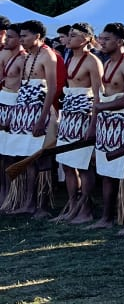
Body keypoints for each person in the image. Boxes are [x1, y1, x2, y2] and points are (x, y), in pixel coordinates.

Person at [90, 22, 124, 235]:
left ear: (120, 42)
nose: (101, 42)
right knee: (106, 171)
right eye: (101, 39)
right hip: (107, 124)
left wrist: (101, 106)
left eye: (106, 39)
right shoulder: (109, 62)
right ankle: (107, 218)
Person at [5, 19, 59, 216]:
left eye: (25, 36)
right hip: (24, 113)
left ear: (37, 36)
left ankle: (42, 205)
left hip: (40, 113)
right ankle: (27, 203)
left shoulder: (48, 56)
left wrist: (41, 119)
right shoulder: (27, 57)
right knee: (26, 158)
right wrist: (15, 115)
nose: (21, 39)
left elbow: (52, 89)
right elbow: (22, 88)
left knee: (42, 159)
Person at [54, 22, 102, 224]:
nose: (69, 38)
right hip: (69, 114)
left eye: (74, 35)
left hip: (84, 114)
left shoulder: (92, 61)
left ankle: (86, 208)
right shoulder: (69, 58)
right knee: (66, 163)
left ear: (85, 39)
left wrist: (92, 126)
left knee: (83, 165)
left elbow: (99, 96)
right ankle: (72, 205)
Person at [0, 21, 25, 208]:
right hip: (3, 103)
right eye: (6, 36)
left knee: (11, 155)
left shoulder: (25, 59)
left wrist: (14, 113)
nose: (6, 39)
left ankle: (13, 196)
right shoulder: (4, 54)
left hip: (16, 107)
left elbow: (24, 89)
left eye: (10, 37)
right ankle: (3, 193)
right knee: (2, 154)